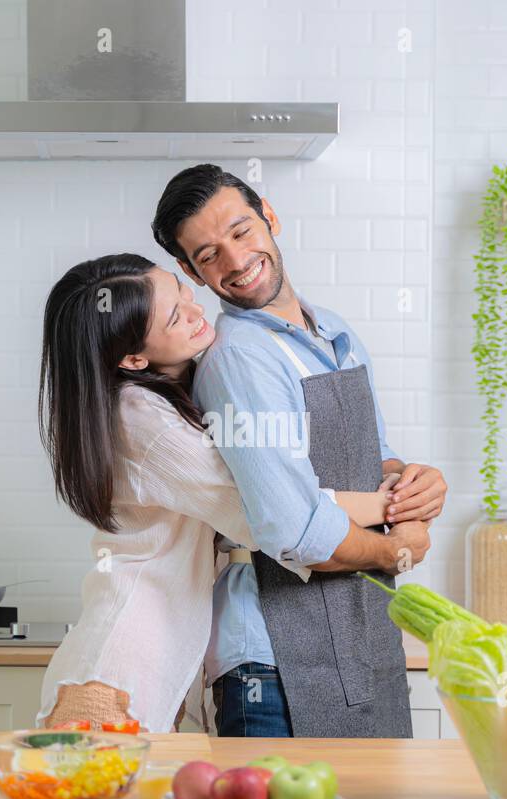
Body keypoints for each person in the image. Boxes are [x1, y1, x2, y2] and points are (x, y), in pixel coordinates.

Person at [34, 253, 407, 732]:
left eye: (183, 291)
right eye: (174, 316)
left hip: (149, 652)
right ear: (132, 358)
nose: (195, 310)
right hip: (118, 668)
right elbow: (268, 512)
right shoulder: (142, 420)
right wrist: (391, 508)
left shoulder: (159, 395)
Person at [151, 164, 447, 738]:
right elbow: (293, 531)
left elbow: (374, 456)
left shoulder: (333, 332)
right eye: (209, 255)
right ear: (190, 270)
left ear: (269, 216)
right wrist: (397, 553)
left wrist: (412, 483)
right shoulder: (241, 358)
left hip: (360, 631)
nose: (235, 262)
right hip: (276, 659)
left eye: (241, 232)